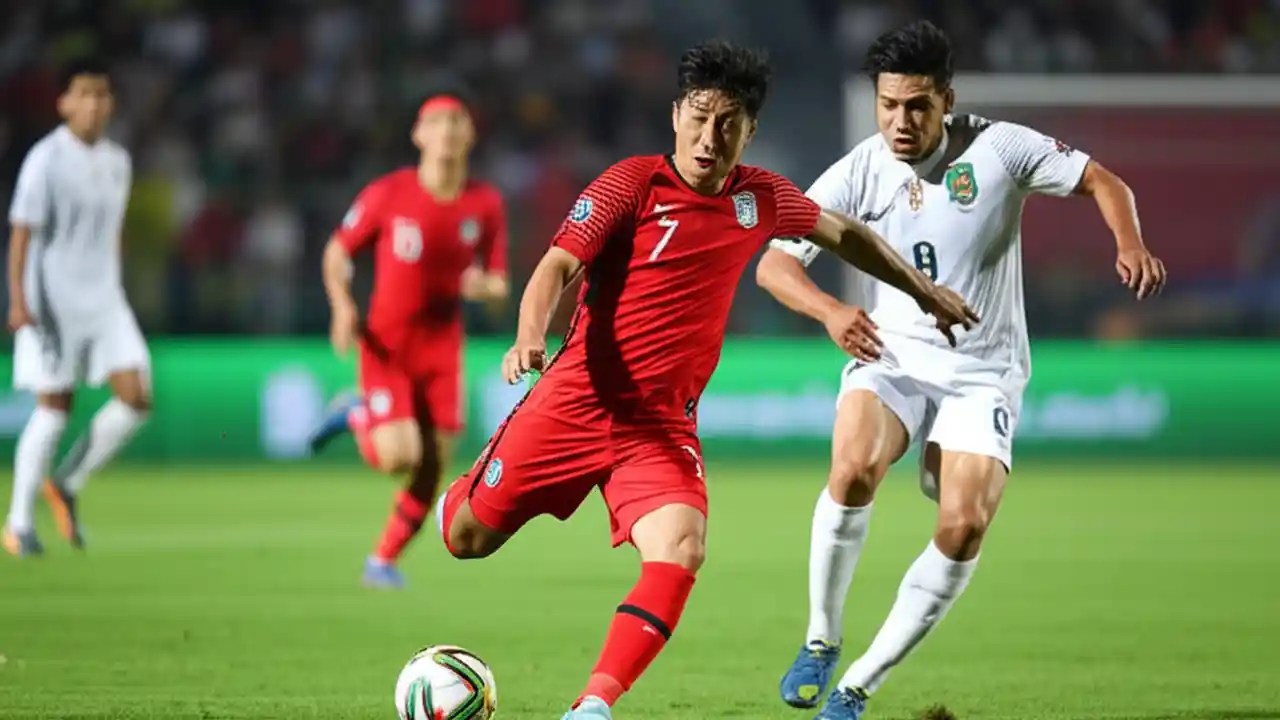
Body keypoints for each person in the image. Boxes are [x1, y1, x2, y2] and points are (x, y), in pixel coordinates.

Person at [434, 40, 977, 720]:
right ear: (674, 116)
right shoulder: (629, 185)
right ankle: (459, 494)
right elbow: (555, 267)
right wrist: (528, 334)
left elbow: (847, 234)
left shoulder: (763, 197)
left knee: (683, 546)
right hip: (574, 400)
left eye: (728, 123)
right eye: (698, 117)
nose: (709, 137)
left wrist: (923, 291)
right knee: (465, 539)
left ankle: (593, 706)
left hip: (658, 427)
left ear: (751, 130)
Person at [760, 21, 1166, 719]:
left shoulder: (1002, 148)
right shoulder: (861, 168)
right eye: (888, 104)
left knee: (963, 525)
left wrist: (1128, 242)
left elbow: (1104, 181)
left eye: (916, 106)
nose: (900, 121)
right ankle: (822, 638)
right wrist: (830, 311)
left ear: (947, 100)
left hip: (982, 371)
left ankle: (857, 686)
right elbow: (773, 262)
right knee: (852, 467)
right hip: (892, 356)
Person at [315, 90, 509, 588]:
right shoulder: (389, 193)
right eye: (437, 121)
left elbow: (500, 281)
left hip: (442, 350)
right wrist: (342, 303)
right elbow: (339, 251)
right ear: (418, 135)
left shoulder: (484, 204)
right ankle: (356, 411)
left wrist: (481, 285)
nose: (447, 130)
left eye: (456, 121)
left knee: (432, 465)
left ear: (470, 135)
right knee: (400, 456)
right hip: (388, 344)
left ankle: (381, 560)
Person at [4, 58, 152, 556]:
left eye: (102, 95)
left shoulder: (118, 160)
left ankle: (65, 482)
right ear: (64, 103)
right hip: (53, 301)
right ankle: (19, 523)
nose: (94, 105)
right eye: (84, 94)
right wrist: (19, 301)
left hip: (104, 298)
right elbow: (22, 232)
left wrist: (119, 288)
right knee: (54, 409)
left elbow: (112, 235)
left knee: (136, 398)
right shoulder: (45, 158)